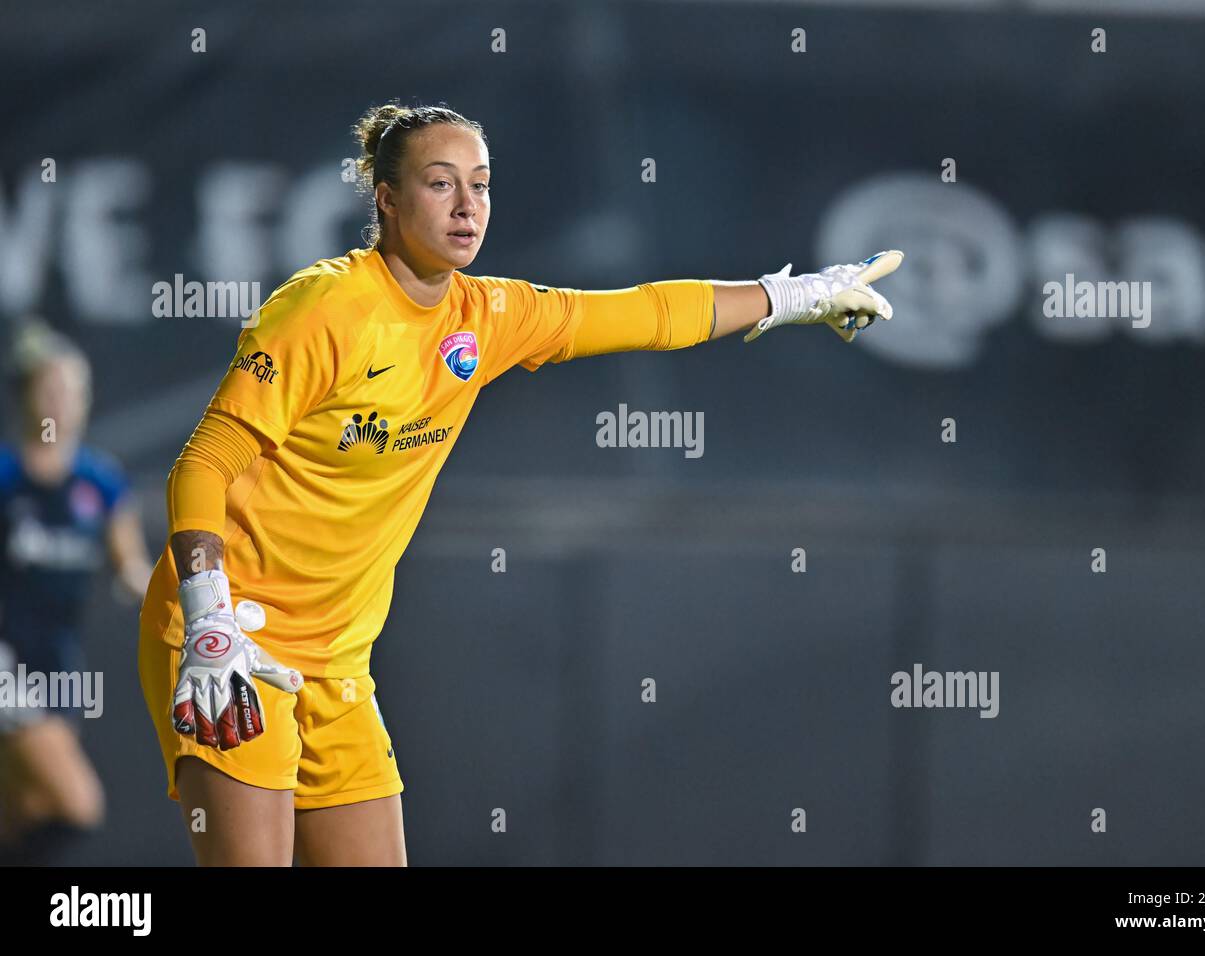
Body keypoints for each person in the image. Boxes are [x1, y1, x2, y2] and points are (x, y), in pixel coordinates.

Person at [137, 101, 903, 866]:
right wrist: (209, 619)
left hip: (338, 660)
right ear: (388, 199)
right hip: (228, 633)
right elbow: (202, 463)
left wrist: (795, 296)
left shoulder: (488, 314)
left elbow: (647, 313)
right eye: (441, 184)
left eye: (481, 184)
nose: (468, 205)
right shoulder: (324, 309)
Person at [0, 321, 152, 865]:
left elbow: (129, 565)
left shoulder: (101, 483)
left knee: (27, 810)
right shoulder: (6, 478)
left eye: (73, 391)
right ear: (26, 397)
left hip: (61, 668)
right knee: (77, 803)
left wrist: (172, 600)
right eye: (51, 390)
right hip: (8, 667)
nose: (62, 404)